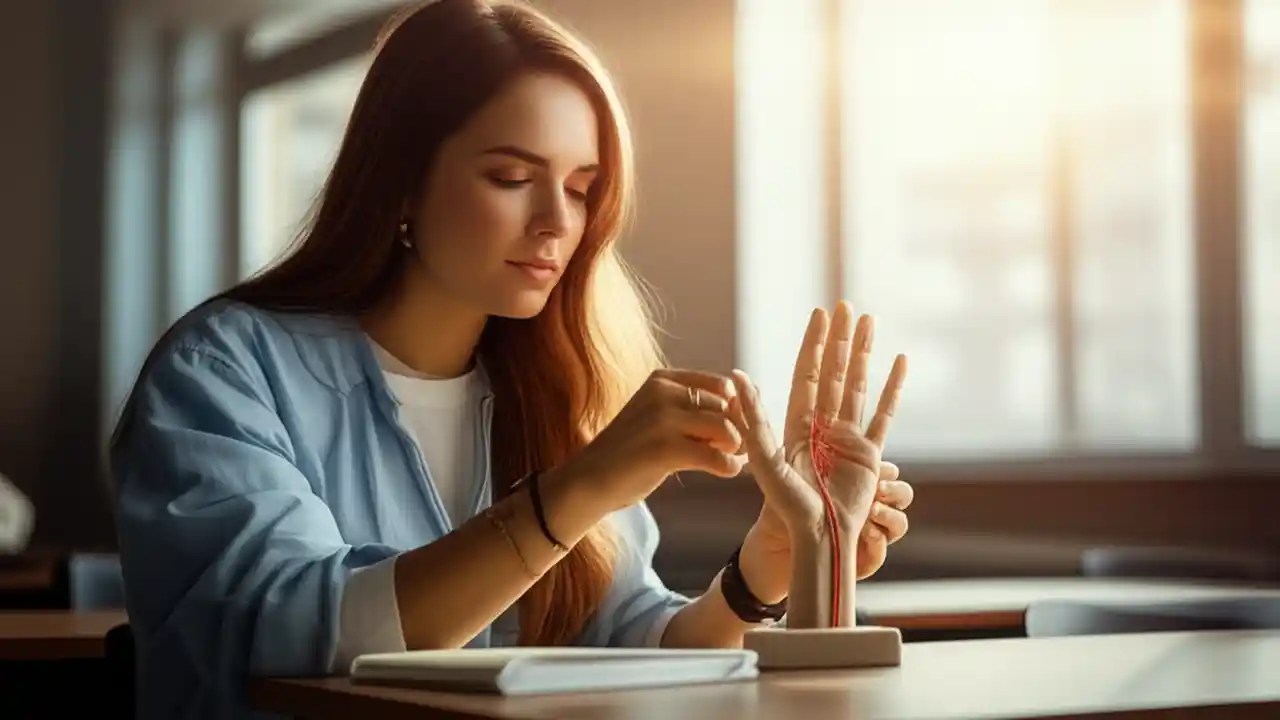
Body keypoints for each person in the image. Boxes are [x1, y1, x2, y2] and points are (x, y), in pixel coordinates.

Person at [108, 1, 914, 717]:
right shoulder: (226, 372)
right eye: (511, 176)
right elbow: (292, 637)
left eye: (580, 187)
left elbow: (630, 646)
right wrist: (576, 490)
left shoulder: (561, 382)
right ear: (400, 183)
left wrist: (764, 569)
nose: (555, 222)